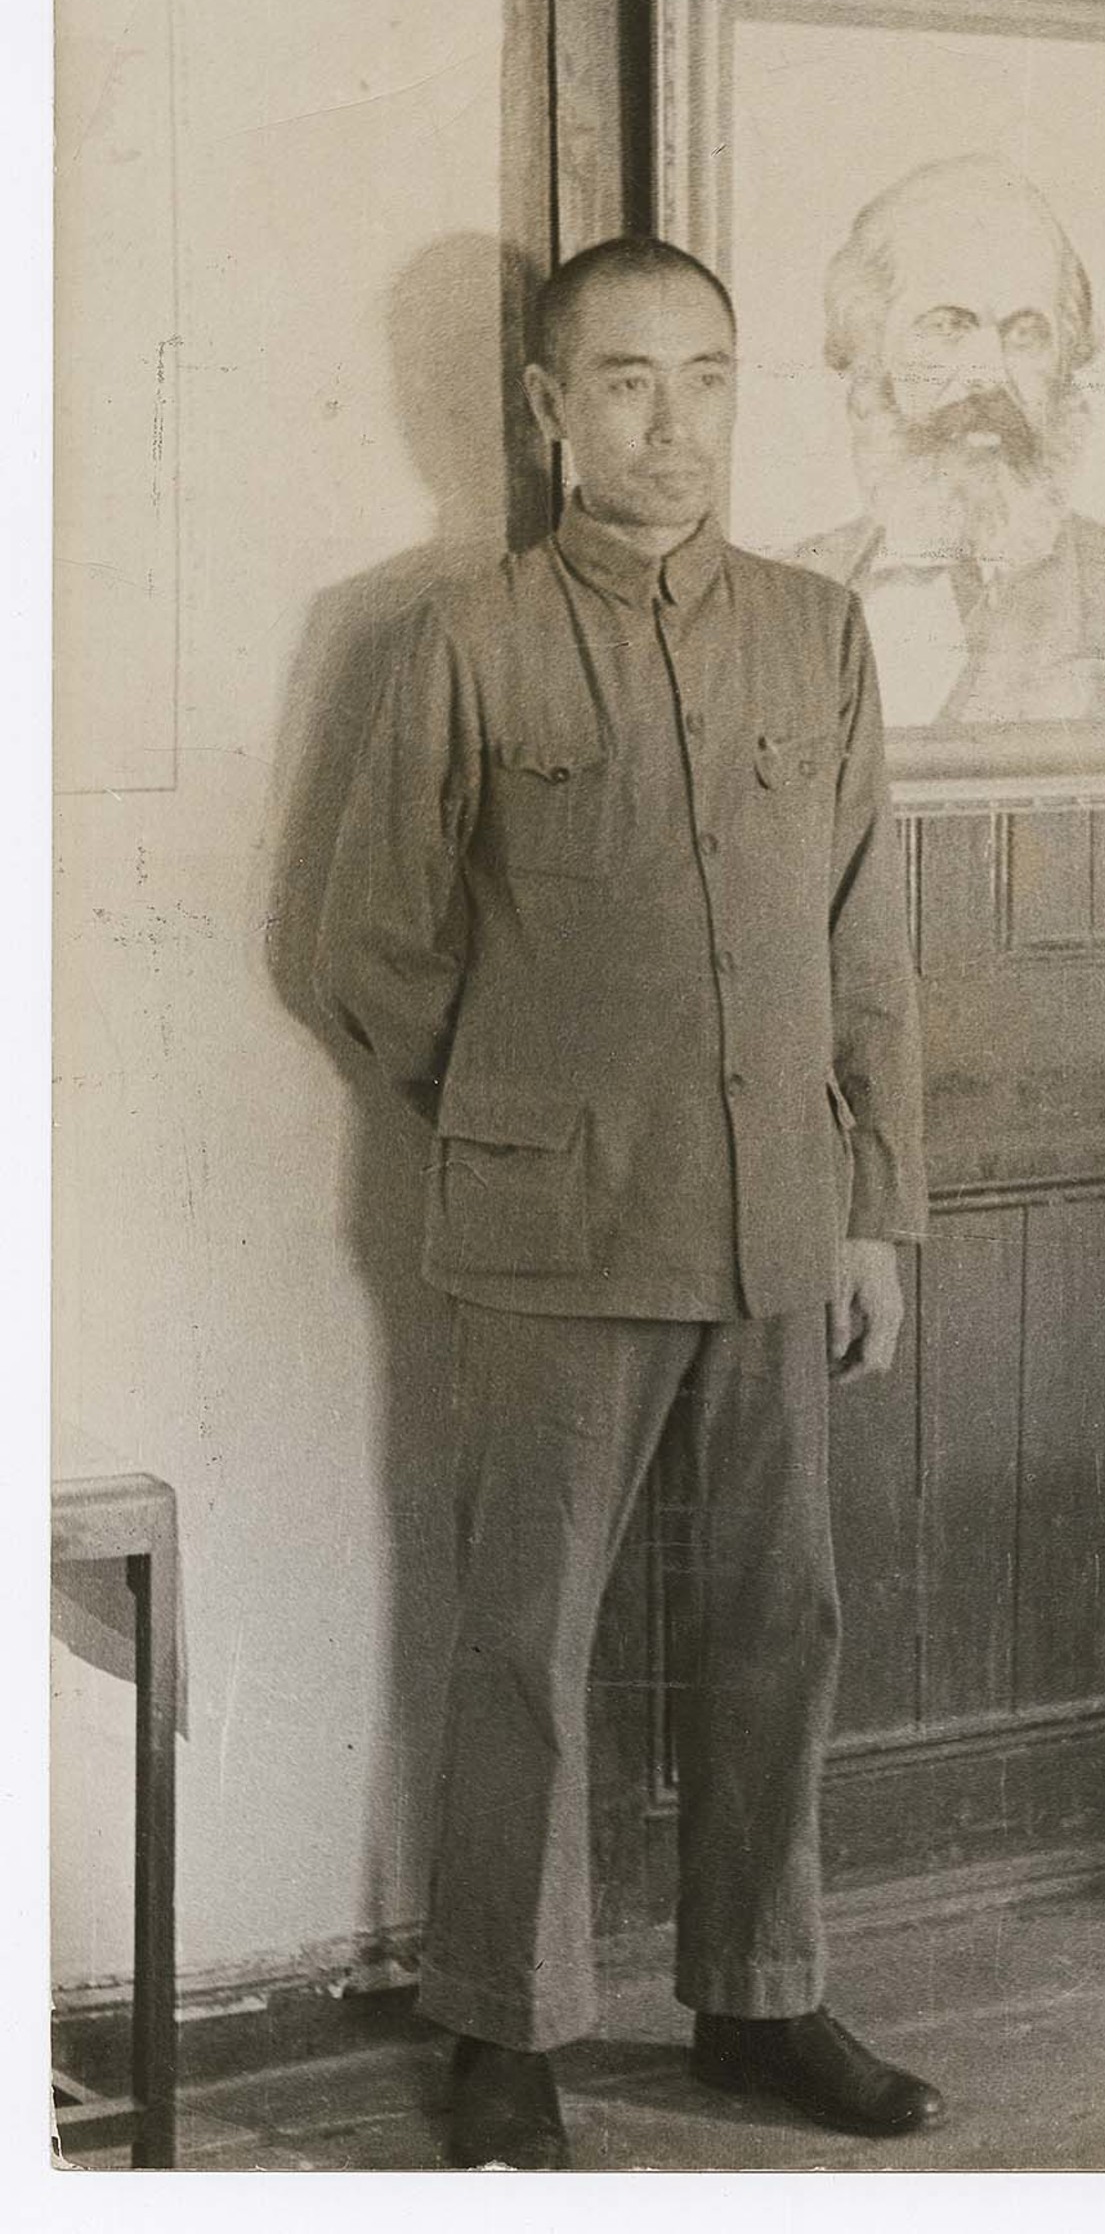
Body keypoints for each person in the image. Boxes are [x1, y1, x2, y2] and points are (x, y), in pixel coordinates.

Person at [314, 236, 937, 2169]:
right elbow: (371, 951)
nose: (675, 423)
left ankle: (758, 2001)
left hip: (774, 1222)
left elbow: (866, 953)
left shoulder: (820, 634)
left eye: (710, 376)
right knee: (527, 1634)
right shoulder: (460, 640)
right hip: (554, 1238)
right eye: (627, 381)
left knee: (782, 1618)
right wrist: (520, 1112)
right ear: (546, 410)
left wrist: (873, 1211)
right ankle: (506, 2029)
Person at [789, 156, 1105, 728]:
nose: (988, 374)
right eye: (948, 325)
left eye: (1025, 334)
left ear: (1065, 364)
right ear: (871, 349)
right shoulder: (784, 592)